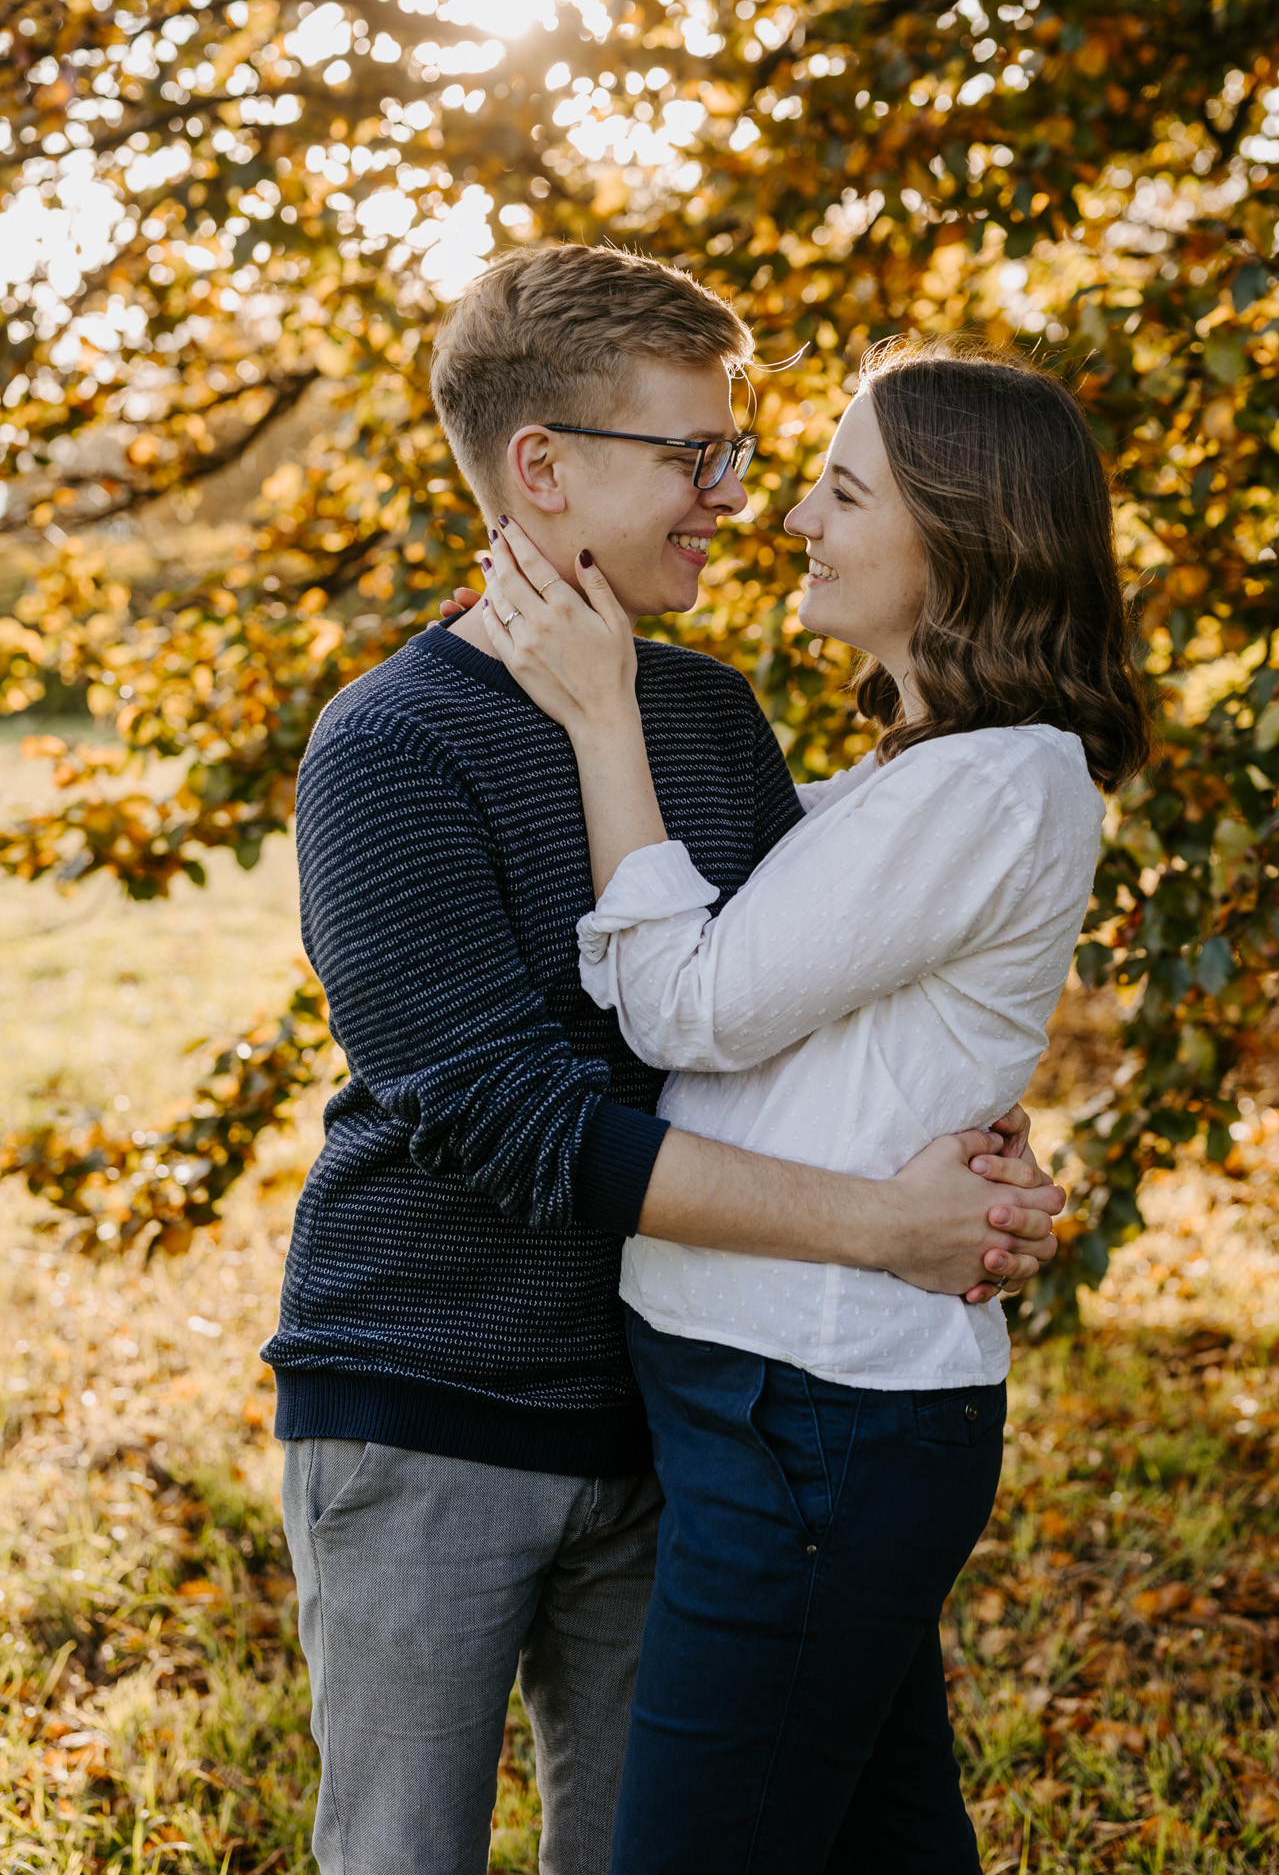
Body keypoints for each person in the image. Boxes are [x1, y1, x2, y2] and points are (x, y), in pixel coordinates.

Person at [262, 248, 1066, 1875]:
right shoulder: (388, 740)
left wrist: (970, 1140)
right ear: (541, 468)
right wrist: (879, 1227)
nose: (729, 498)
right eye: (689, 456)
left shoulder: (706, 716)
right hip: (430, 1405)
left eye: (738, 455)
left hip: (674, 1414)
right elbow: (504, 1122)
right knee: (401, 1853)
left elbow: (801, 1019)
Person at [474, 330, 1152, 1875]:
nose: (789, 521)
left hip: (817, 1415)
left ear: (961, 540)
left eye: (841, 494)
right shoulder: (908, 781)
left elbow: (687, 1002)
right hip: (769, 1401)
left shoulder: (992, 782)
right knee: (878, 1841)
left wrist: (598, 715)